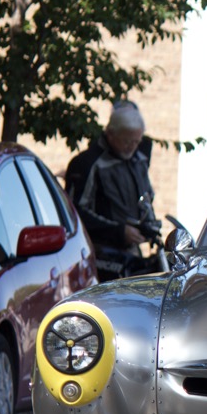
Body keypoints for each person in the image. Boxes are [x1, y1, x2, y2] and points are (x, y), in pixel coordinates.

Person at [65, 101, 158, 280]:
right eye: (126, 141)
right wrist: (118, 231)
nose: (132, 146)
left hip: (130, 254)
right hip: (98, 255)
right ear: (110, 134)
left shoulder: (138, 159)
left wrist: (149, 226)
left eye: (136, 141)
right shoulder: (87, 163)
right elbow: (75, 213)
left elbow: (146, 199)